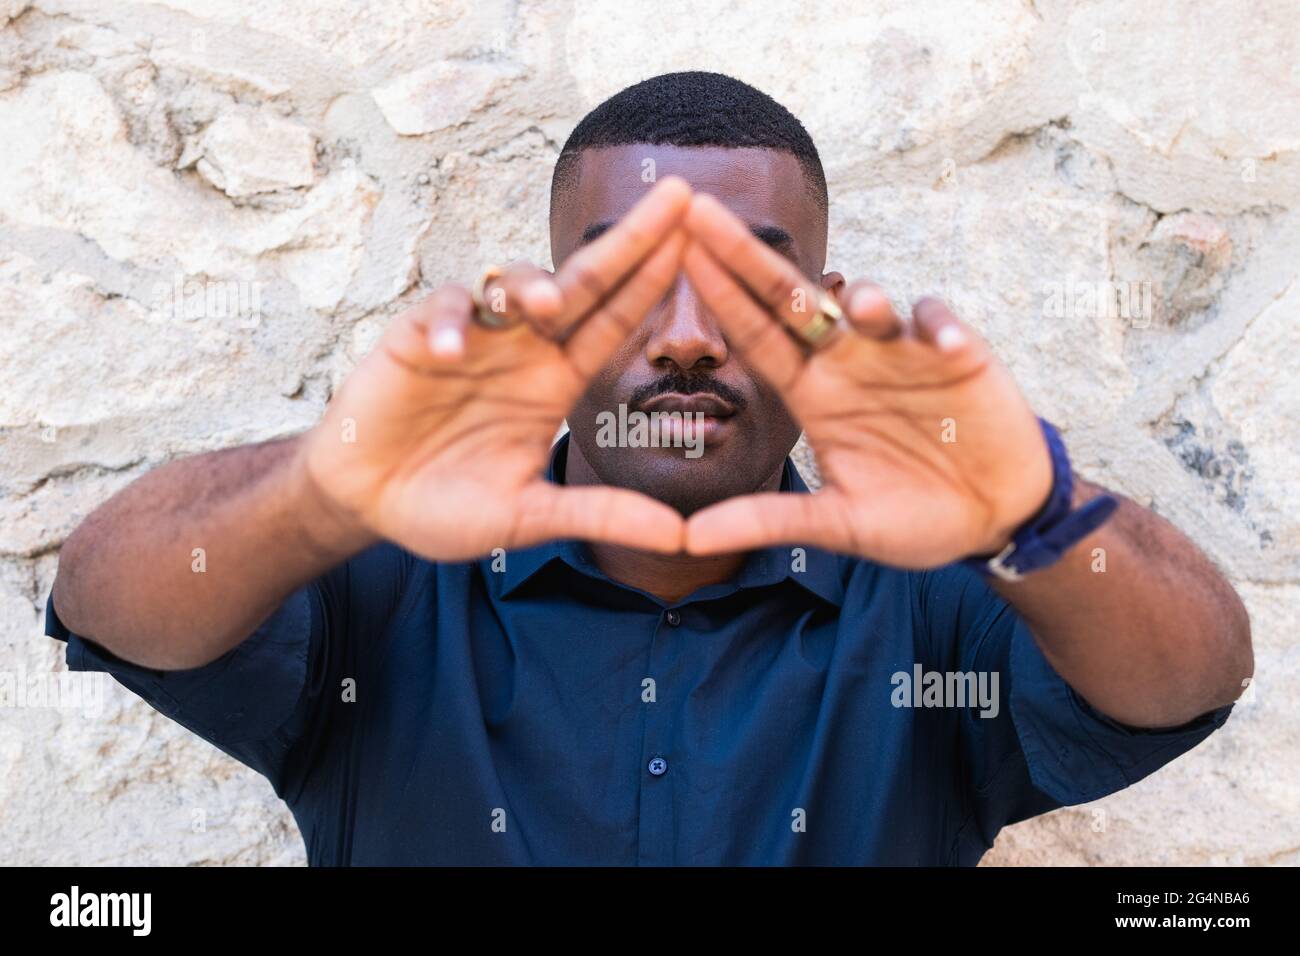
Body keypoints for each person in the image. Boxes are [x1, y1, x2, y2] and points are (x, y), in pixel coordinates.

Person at [46, 71, 1252, 865]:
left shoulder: (931, 604)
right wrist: (323, 485)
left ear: (824, 310)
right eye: (623, 276)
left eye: (746, 277)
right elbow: (108, 594)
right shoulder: (388, 584)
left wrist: (1036, 513)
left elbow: (1186, 674)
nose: (685, 331)